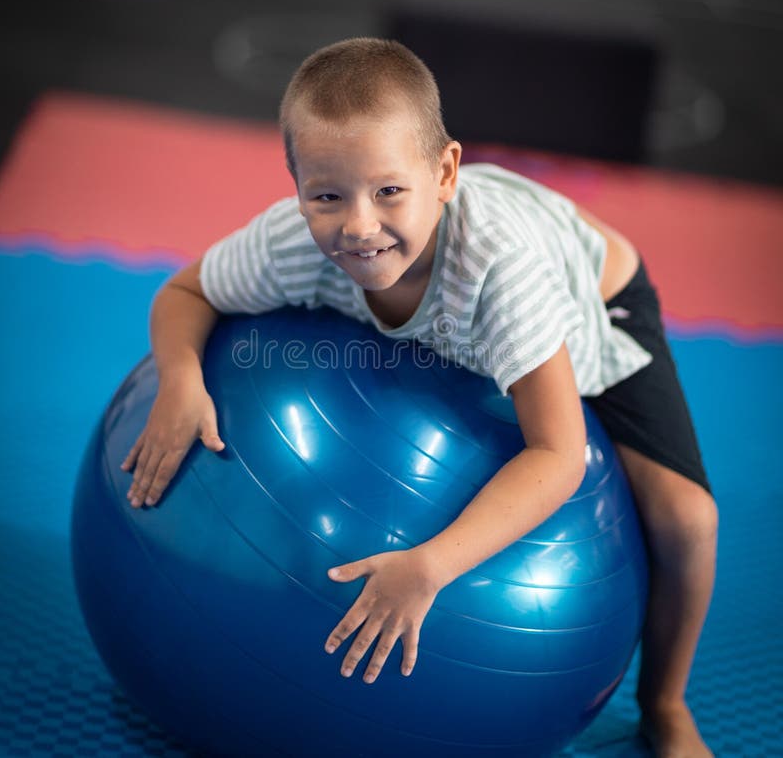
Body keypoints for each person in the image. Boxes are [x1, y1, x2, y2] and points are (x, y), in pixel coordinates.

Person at [121, 38, 717, 758]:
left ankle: (665, 703)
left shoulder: (502, 274)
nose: (359, 226)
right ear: (296, 187)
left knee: (688, 519)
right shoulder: (291, 242)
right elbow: (185, 292)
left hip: (594, 291)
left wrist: (429, 566)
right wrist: (181, 380)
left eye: (389, 192)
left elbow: (558, 455)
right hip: (470, 286)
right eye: (327, 196)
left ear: (444, 174)